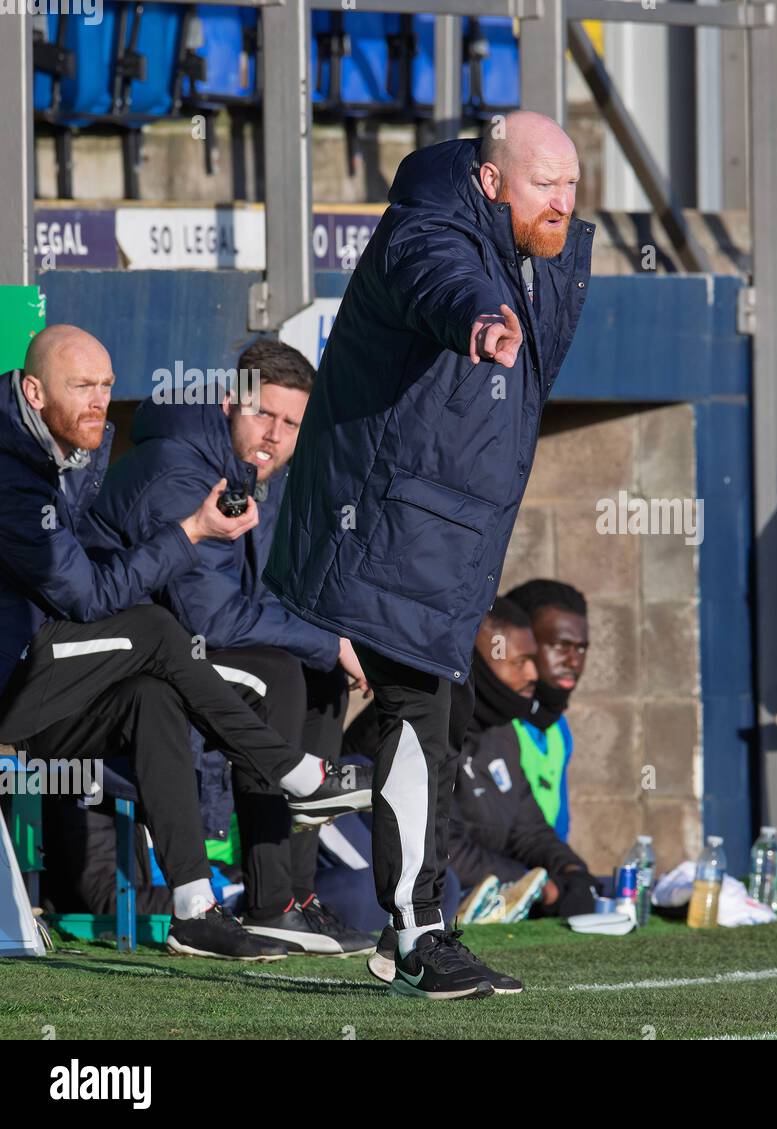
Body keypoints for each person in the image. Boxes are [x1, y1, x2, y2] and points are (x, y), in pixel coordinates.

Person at [263, 113, 595, 1000]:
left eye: (573, 184)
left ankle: (402, 919)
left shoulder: (546, 247)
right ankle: (415, 934)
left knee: (430, 722)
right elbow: (432, 274)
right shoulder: (432, 223)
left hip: (452, 531)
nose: (563, 203)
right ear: (493, 183)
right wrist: (479, 317)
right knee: (418, 713)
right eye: (544, 186)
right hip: (385, 523)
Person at [0, 326, 372, 961]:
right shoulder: (21, 477)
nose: (98, 400)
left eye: (106, 386)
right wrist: (193, 530)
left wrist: (339, 634)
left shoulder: (70, 457)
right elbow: (100, 599)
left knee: (156, 696)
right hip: (22, 683)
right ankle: (292, 793)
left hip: (80, 676)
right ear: (34, 392)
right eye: (81, 386)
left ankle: (196, 909)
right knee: (182, 639)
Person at [366, 599, 599, 985]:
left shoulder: (502, 733)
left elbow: (528, 828)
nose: (532, 673)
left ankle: (419, 939)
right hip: (369, 854)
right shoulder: (430, 726)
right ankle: (408, 942)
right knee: (442, 887)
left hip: (453, 880)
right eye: (518, 661)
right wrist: (539, 885)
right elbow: (444, 842)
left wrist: (571, 871)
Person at [504, 578, 589, 840]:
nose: (573, 661)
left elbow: (557, 831)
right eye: (559, 645)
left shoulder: (558, 730)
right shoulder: (494, 722)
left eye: (581, 648)